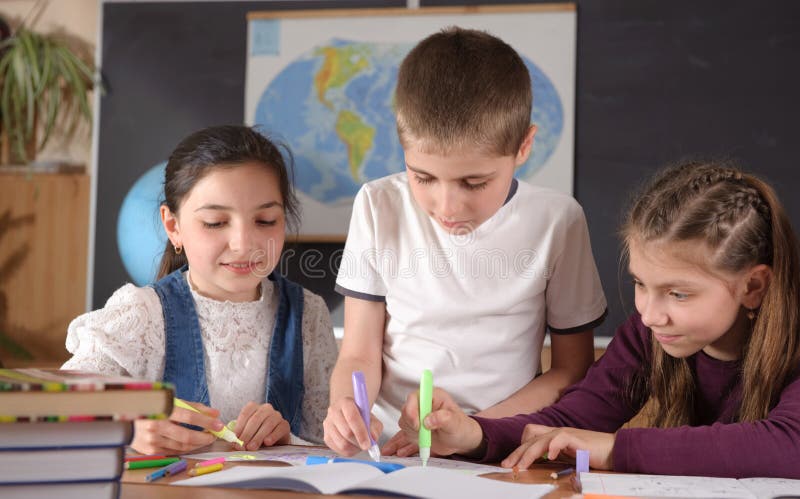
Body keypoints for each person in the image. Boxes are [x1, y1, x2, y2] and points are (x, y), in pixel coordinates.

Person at [397, 160, 800, 478]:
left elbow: (787, 445)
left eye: (678, 294)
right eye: (641, 284)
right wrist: (473, 434)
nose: (650, 313)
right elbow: (570, 420)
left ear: (753, 286)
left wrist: (612, 448)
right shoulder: (650, 334)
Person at [324, 27, 607, 458]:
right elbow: (359, 352)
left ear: (524, 146)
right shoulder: (379, 203)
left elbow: (571, 369)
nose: (447, 205)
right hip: (390, 450)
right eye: (422, 177)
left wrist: (474, 429)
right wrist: (346, 406)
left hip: (499, 444)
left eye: (474, 182)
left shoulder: (558, 221)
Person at [63, 125, 337, 454]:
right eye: (215, 223)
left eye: (265, 220)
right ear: (173, 227)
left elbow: (330, 444)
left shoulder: (309, 315)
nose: (242, 244)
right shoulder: (143, 314)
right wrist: (126, 427)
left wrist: (287, 441)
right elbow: (64, 405)